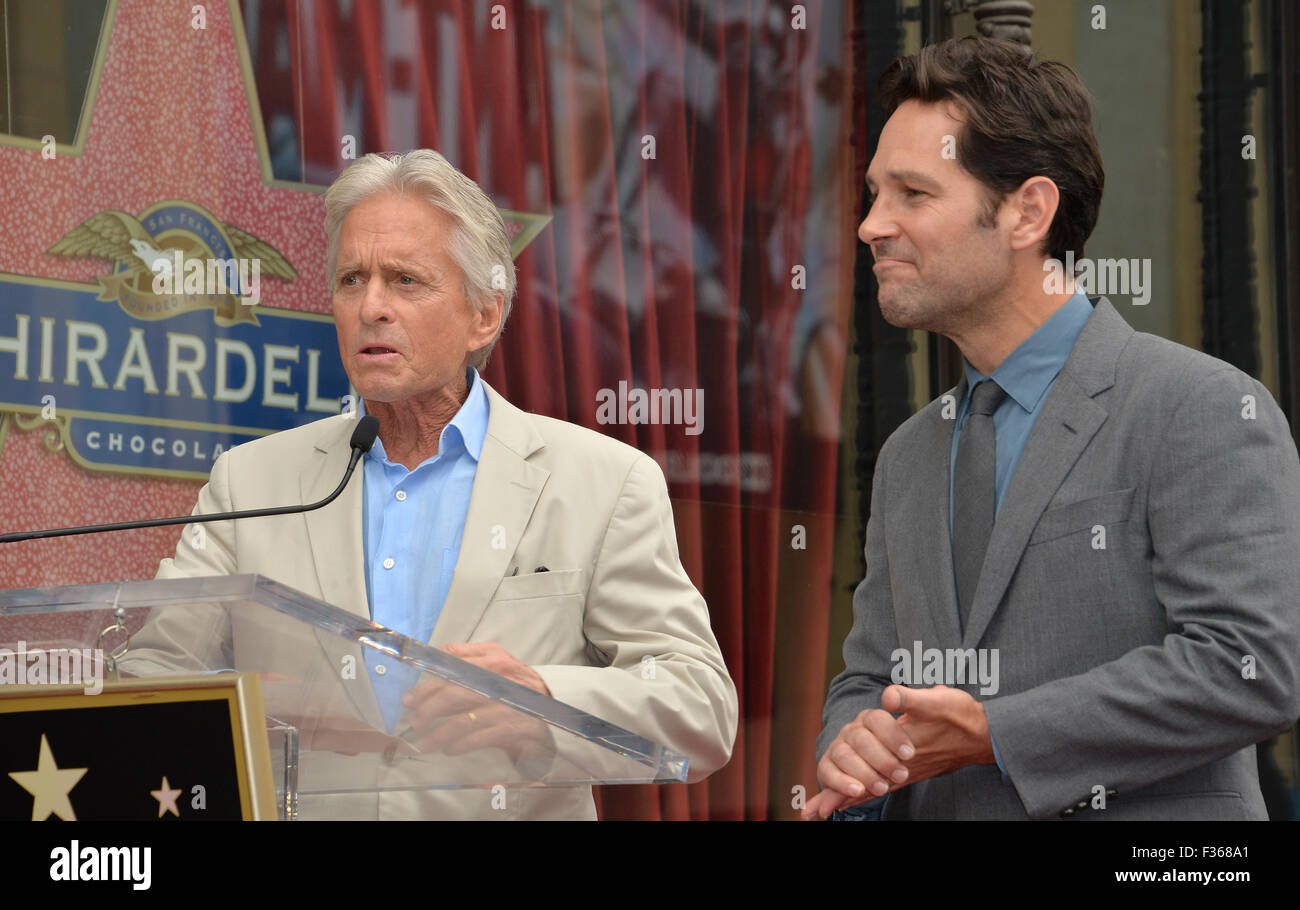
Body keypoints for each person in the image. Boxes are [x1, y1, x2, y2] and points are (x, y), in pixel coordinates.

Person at [129, 149, 738, 819]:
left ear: (484, 314)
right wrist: (255, 711)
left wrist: (540, 702)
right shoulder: (250, 482)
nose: (372, 307)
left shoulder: (601, 482)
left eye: (405, 281)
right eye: (351, 279)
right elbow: (154, 679)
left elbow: (699, 707)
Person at [809, 37, 1300, 820]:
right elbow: (870, 679)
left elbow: (1251, 666)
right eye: (874, 194)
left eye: (911, 193)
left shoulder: (1199, 408)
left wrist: (995, 732)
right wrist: (855, 741)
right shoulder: (910, 453)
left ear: (1028, 211)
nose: (871, 225)